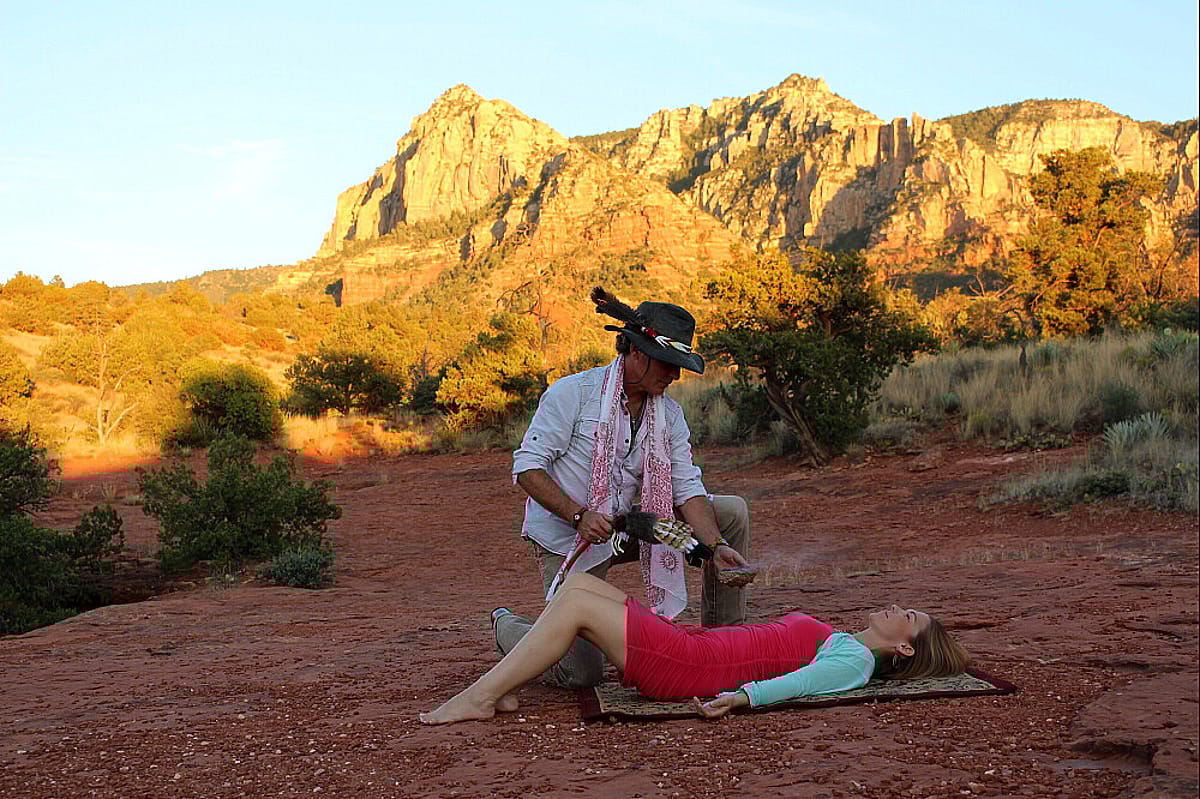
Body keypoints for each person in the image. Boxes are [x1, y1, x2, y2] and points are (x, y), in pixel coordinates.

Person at [499, 287, 752, 689]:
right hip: (571, 536)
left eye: (679, 366)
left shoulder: (668, 413)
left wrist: (716, 548)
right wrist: (578, 515)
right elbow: (527, 467)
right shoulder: (573, 394)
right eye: (667, 364)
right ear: (635, 352)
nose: (674, 375)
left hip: (635, 527)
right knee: (581, 675)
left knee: (731, 510)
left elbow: (686, 488)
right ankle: (512, 629)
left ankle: (725, 642)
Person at [419, 573, 973, 725]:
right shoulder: (847, 642)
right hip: (694, 647)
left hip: (692, 667)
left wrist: (743, 698)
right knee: (579, 588)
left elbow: (801, 685)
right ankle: (507, 685)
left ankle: (482, 696)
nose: (900, 608)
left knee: (577, 606)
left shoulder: (854, 661)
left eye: (911, 618)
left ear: (903, 649)